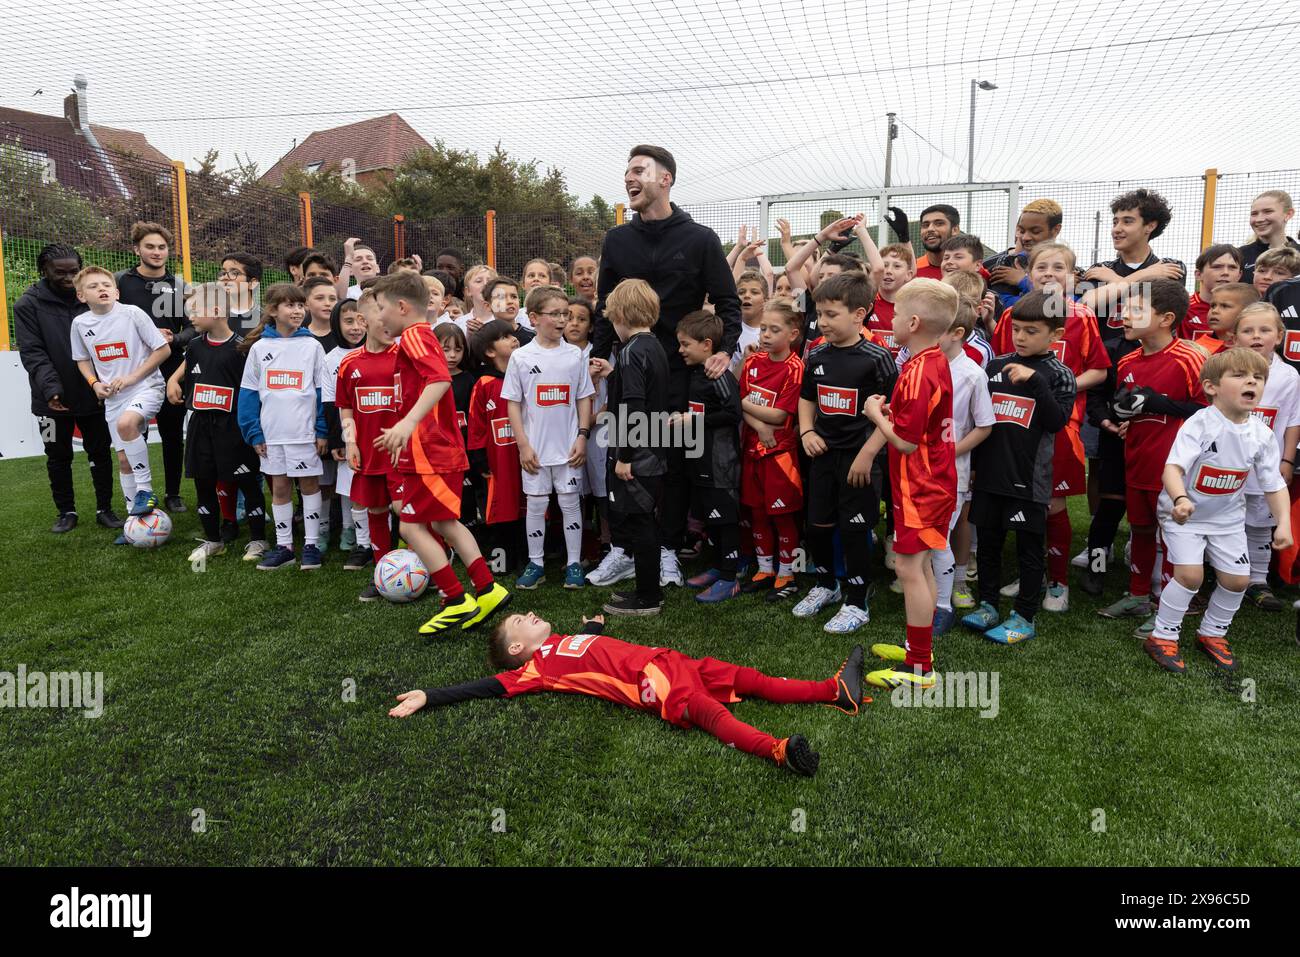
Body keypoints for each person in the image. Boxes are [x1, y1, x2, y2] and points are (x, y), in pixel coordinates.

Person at [390, 611, 868, 777]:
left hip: (669, 659)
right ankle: (779, 751)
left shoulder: (558, 643)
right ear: (518, 648)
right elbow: (485, 687)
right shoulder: (534, 670)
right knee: (707, 712)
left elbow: (595, 642)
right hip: (650, 682)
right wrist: (430, 696)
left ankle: (835, 690)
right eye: (522, 622)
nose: (530, 614)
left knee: (748, 677)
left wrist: (594, 626)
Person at [589, 146, 742, 580]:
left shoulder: (700, 239)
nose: (628, 179)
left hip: (680, 373)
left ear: (665, 180)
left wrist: (723, 350)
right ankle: (623, 548)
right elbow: (604, 304)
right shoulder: (617, 239)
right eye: (626, 173)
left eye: (638, 171)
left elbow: (728, 303)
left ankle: (669, 548)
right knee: (625, 454)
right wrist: (601, 355)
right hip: (628, 370)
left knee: (673, 461)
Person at [372, 271, 511, 634]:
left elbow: (439, 380)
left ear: (401, 306)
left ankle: (454, 598)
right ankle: (486, 588)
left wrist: (406, 425)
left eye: (382, 308)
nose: (380, 316)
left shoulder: (417, 335)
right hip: (432, 451)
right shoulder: (413, 338)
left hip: (430, 452)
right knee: (443, 523)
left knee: (411, 525)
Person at [1145, 348, 1290, 673]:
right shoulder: (1200, 424)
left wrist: (1283, 523)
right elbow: (1172, 469)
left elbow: (1274, 484)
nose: (1251, 381)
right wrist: (1181, 499)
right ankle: (1162, 636)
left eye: (1258, 377)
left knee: (1238, 580)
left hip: (1227, 519)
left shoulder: (1262, 434)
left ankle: (1212, 633)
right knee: (1190, 576)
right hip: (1184, 515)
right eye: (1239, 375)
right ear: (1211, 387)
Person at [990, 243, 1109, 610]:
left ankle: (1058, 581)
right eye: (1041, 267)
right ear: (1029, 274)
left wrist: (1058, 385)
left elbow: (1099, 370)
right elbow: (998, 365)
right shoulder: (1014, 314)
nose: (1049, 273)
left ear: (1073, 277)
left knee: (1053, 505)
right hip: (1013, 423)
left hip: (1058, 425)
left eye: (1059, 267)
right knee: (1021, 501)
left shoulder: (1081, 315)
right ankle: (1032, 574)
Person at [853, 278, 958, 688]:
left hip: (922, 485)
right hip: (930, 482)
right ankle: (921, 650)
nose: (889, 319)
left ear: (913, 322)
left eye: (895, 314)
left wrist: (876, 415)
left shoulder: (918, 372)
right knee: (922, 565)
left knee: (909, 567)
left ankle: (919, 669)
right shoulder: (929, 361)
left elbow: (906, 442)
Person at [959, 290, 1076, 645]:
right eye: (1017, 330)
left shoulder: (1059, 375)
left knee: (1028, 548)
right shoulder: (994, 366)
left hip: (1029, 479)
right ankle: (989, 604)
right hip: (992, 474)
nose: (1021, 338)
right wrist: (977, 466)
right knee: (990, 544)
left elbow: (1056, 423)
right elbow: (981, 421)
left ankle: (1024, 615)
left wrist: (1036, 382)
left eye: (1031, 331)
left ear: (1054, 335)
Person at [1097, 279, 1206, 638]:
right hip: (1137, 461)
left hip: (1174, 469)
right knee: (1141, 529)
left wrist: (1160, 403)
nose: (1125, 314)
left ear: (1166, 318)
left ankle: (1169, 606)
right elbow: (1129, 406)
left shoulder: (1190, 358)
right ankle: (1139, 595)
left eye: (1137, 309)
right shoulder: (1127, 359)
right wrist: (1123, 416)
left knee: (1173, 536)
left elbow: (1209, 412)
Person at [793, 271, 897, 633]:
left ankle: (857, 600)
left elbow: (893, 414)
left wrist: (868, 454)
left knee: (855, 531)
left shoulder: (877, 358)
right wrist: (807, 430)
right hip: (823, 457)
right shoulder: (817, 354)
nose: (822, 322)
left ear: (859, 314)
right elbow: (806, 398)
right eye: (819, 314)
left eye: (831, 314)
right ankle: (826, 585)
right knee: (817, 527)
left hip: (861, 461)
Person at [15, 244, 118, 533]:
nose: (68, 277)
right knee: (57, 455)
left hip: (93, 395)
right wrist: (51, 390)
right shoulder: (27, 305)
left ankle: (105, 509)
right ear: (43, 271)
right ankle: (66, 511)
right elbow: (33, 352)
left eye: (74, 271)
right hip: (48, 402)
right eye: (59, 272)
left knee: (100, 452)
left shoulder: (93, 298)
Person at [165, 282, 268, 563]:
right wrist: (174, 380)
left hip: (232, 428)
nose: (191, 318)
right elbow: (189, 368)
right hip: (200, 425)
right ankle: (213, 540)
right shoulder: (195, 346)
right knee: (203, 482)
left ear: (216, 311)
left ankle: (258, 539)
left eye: (195, 311)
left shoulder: (242, 349)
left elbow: (250, 392)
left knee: (247, 482)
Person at [503, 286, 595, 590]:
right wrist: (523, 445)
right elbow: (513, 403)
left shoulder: (575, 355)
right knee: (536, 503)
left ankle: (573, 564)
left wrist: (582, 436)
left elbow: (584, 398)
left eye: (565, 314)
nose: (562, 320)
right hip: (535, 451)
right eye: (554, 314)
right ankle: (536, 563)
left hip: (568, 448)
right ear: (533, 318)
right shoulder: (520, 357)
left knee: (570, 503)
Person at [69, 267, 171, 526]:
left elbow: (163, 350)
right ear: (81, 296)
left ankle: (146, 491)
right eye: (93, 286)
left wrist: (132, 378)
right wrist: (94, 384)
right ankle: (133, 521)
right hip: (113, 398)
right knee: (124, 460)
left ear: (116, 291)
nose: (101, 289)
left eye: (106, 284)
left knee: (127, 424)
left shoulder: (132, 314)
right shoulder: (80, 324)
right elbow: (82, 360)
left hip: (146, 387)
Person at [236, 283, 327, 570]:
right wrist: (253, 432)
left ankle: (312, 544)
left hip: (304, 434)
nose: (298, 310)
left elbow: (323, 391)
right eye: (290, 305)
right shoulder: (260, 348)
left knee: (310, 486)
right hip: (272, 435)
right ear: (273, 311)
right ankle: (285, 545)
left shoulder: (312, 345)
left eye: (301, 305)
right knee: (279, 487)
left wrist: (322, 429)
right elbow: (248, 394)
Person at [598, 279, 671, 616]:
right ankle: (646, 589)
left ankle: (647, 597)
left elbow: (634, 407)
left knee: (641, 523)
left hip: (639, 453)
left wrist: (625, 456)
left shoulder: (630, 351)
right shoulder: (654, 346)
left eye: (613, 317)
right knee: (645, 522)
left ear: (623, 315)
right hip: (655, 447)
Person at [923, 292, 993, 628]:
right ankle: (924, 596)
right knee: (920, 538)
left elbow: (984, 426)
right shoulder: (920, 364)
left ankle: (942, 606)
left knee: (939, 537)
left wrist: (952, 452)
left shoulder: (972, 374)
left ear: (958, 333)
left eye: (937, 328)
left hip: (951, 471)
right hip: (917, 467)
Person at [115, 221, 191, 513]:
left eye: (162, 247)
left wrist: (175, 338)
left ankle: (173, 494)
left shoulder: (179, 286)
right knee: (136, 433)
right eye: (150, 246)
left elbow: (194, 327)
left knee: (173, 434)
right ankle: (139, 495)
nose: (157, 252)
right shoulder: (121, 282)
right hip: (134, 372)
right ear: (137, 249)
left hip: (171, 370)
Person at [738, 297, 805, 604]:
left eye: (773, 330)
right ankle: (765, 569)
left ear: (792, 334)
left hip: (780, 455)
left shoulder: (795, 368)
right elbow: (741, 405)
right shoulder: (751, 363)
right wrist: (760, 425)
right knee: (757, 511)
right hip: (752, 449)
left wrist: (752, 412)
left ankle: (787, 573)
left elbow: (781, 415)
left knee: (782, 515)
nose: (765, 335)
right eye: (763, 328)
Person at [1233, 304, 1300, 611]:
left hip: (1265, 466)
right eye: (1248, 330)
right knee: (1224, 520)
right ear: (1235, 337)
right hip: (1228, 464)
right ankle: (1223, 573)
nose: (1256, 337)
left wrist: (1286, 461)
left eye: (1264, 330)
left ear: (1280, 335)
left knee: (1260, 523)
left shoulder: (1289, 376)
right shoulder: (1223, 367)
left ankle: (1257, 580)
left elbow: (1291, 421)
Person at [674, 311, 743, 603]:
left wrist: (693, 421)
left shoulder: (719, 375)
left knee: (725, 518)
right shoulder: (695, 373)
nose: (680, 350)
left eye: (685, 344)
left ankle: (730, 577)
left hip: (720, 462)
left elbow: (733, 413)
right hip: (700, 460)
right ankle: (718, 567)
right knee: (711, 518)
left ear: (706, 344)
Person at [336, 291, 401, 601]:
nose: (389, 321)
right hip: (369, 453)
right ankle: (382, 573)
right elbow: (345, 406)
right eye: (382, 315)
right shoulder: (349, 364)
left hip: (404, 454)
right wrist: (351, 442)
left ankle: (420, 569)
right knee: (376, 510)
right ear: (362, 321)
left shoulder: (405, 356)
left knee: (409, 513)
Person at [467, 320, 527, 574]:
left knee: (528, 507)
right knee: (500, 511)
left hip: (525, 458)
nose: (513, 339)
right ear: (490, 352)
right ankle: (502, 562)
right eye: (504, 337)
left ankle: (529, 559)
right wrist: (479, 457)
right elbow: (476, 424)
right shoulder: (484, 384)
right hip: (498, 461)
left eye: (512, 334)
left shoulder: (526, 375)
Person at [322, 298, 368, 561]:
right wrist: (338, 440)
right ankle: (356, 538)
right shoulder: (331, 359)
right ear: (336, 324)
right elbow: (330, 403)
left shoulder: (380, 352)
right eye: (348, 321)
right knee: (351, 487)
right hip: (348, 437)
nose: (355, 327)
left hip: (376, 433)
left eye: (360, 320)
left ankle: (379, 539)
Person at [984, 198, 1064, 311]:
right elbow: (1003, 308)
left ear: (1056, 230)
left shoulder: (1068, 264)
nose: (1025, 237)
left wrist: (1023, 280)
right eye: (1021, 231)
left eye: (1035, 231)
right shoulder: (1004, 265)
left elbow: (1061, 306)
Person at [1181, 244, 1243, 338]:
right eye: (1217, 267)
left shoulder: (1247, 310)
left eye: (1232, 267)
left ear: (1239, 275)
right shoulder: (1183, 308)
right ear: (1198, 274)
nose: (1225, 272)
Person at [1238, 190, 1299, 284]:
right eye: (1254, 214)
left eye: (1268, 211)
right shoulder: (1238, 256)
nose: (1259, 219)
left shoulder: (1298, 254)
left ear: (1288, 214)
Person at [870, 243, 915, 355]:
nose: (888, 271)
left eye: (897, 266)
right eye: (884, 265)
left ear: (909, 275)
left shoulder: (914, 308)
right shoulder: (866, 303)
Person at [1195, 283, 1258, 355]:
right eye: (1213, 306)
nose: (1214, 311)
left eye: (1224, 306)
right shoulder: (1198, 349)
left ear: (1247, 311)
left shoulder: (1257, 346)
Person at [219, 252, 262, 335]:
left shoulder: (266, 321)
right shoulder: (211, 317)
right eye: (223, 273)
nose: (225, 277)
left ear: (252, 283)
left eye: (235, 273)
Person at [915, 205, 960, 278]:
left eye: (939, 224)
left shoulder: (973, 270)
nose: (930, 229)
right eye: (925, 225)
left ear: (955, 230)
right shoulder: (911, 271)